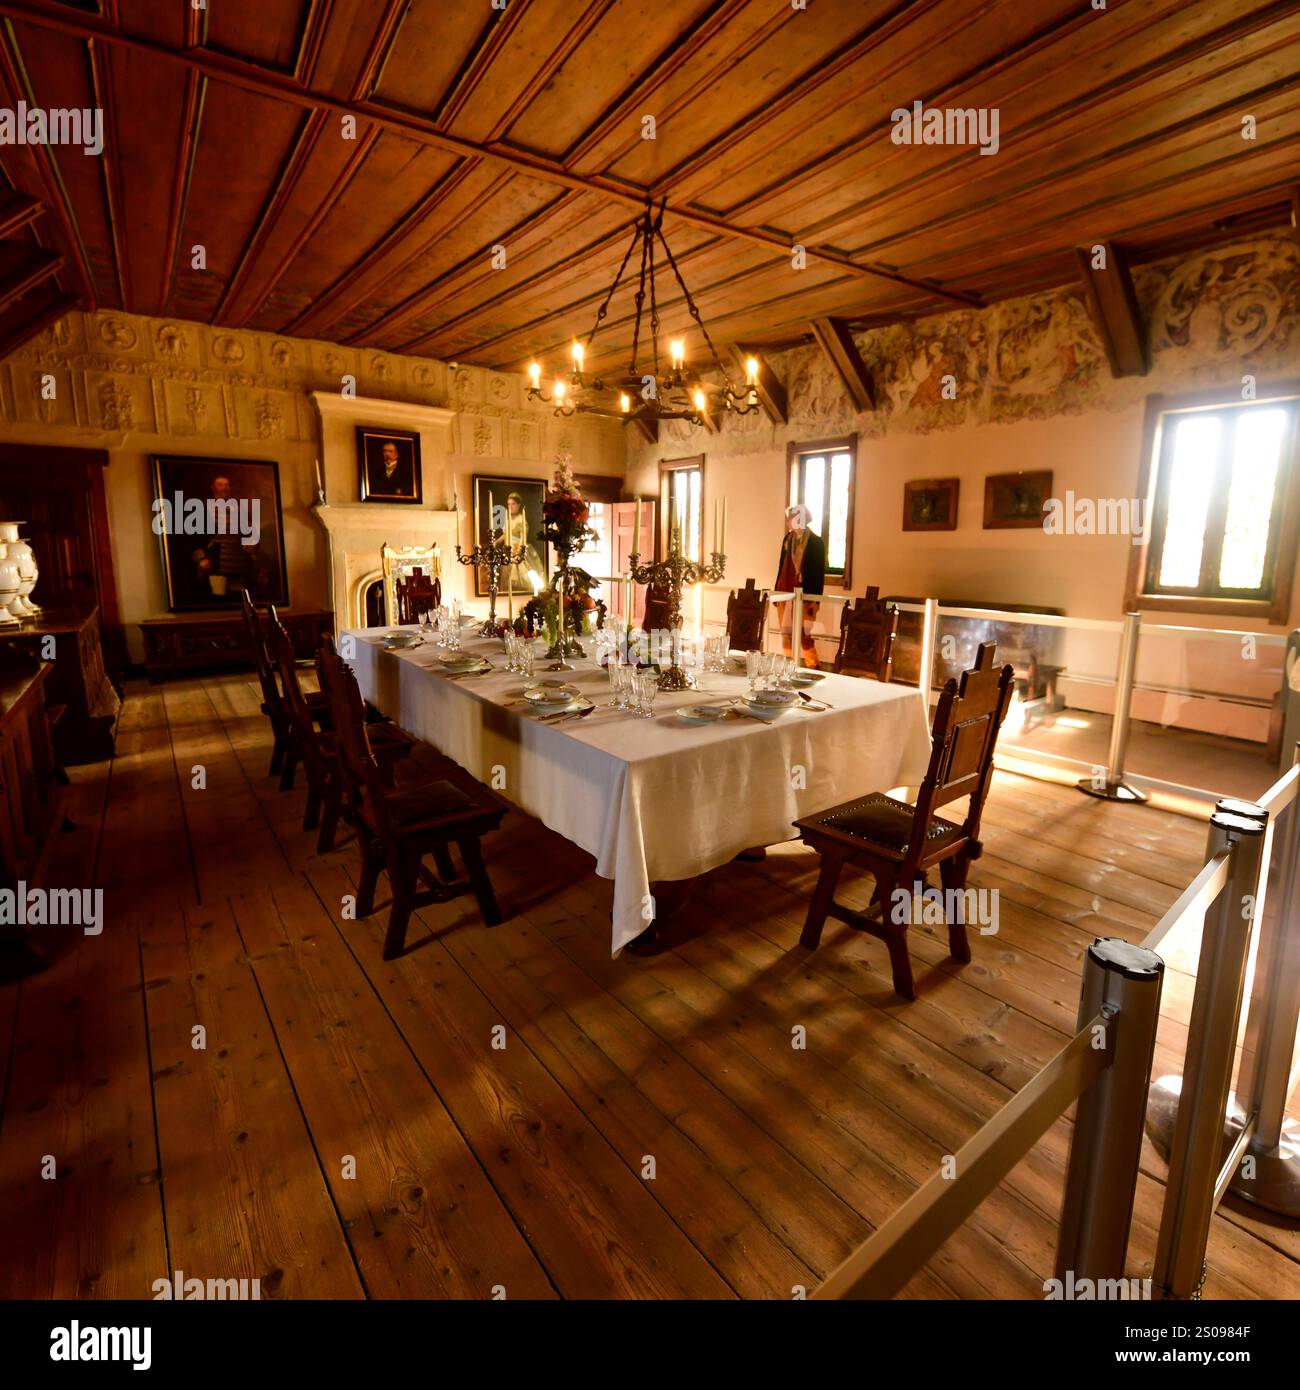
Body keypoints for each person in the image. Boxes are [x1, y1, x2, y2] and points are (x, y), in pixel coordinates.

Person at [774, 503, 824, 667]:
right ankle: (789, 667)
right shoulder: (787, 539)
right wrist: (776, 591)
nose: (788, 521)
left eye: (791, 518)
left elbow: (818, 573)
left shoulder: (816, 542)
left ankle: (813, 666)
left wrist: (815, 600)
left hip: (805, 594)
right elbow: (781, 566)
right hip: (785, 592)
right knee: (786, 634)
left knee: (804, 635)